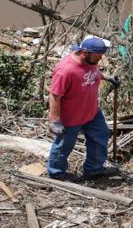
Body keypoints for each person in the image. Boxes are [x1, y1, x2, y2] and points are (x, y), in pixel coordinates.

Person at [46, 35, 121, 180]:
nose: (100, 59)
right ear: (85, 53)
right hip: (71, 116)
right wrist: (55, 120)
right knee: (63, 145)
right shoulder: (66, 70)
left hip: (91, 112)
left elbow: (91, 71)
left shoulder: (90, 60)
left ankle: (93, 169)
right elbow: (55, 96)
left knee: (101, 136)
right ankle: (56, 173)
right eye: (98, 56)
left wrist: (106, 77)